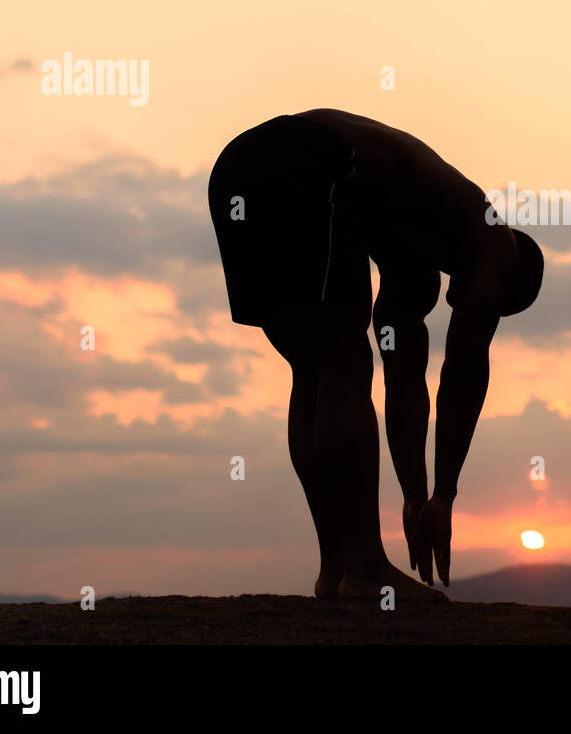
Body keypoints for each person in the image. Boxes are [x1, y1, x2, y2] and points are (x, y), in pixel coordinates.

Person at [208, 110, 543, 602]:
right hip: (308, 161)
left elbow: (405, 380)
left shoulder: (416, 255)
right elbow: (463, 373)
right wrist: (445, 495)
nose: (475, 307)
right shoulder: (494, 239)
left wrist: (416, 495)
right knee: (343, 361)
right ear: (508, 277)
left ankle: (337, 569)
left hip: (239, 168)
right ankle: (364, 569)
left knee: (314, 365)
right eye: (491, 305)